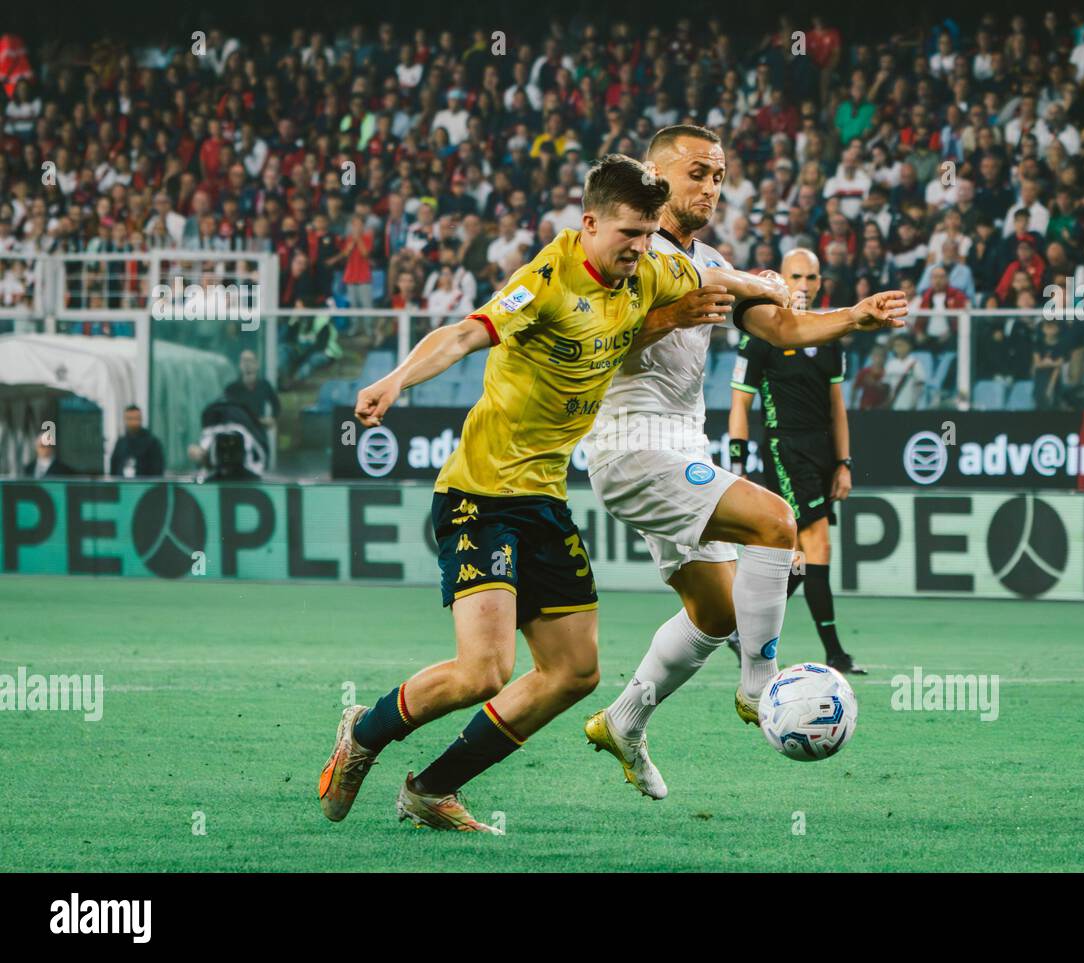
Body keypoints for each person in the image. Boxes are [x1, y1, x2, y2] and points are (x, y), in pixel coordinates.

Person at [318, 153, 790, 832]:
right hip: (477, 492)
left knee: (573, 671)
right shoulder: (546, 278)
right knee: (485, 669)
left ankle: (431, 788)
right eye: (628, 232)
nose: (640, 246)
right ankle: (364, 731)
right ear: (590, 222)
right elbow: (463, 333)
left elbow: (713, 275)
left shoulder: (651, 264)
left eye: (648, 232)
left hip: (543, 499)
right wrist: (396, 381)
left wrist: (760, 282)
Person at [581, 126, 904, 800]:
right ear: (655, 172)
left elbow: (782, 327)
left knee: (717, 609)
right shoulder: (630, 249)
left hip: (680, 446)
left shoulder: (712, 260)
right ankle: (761, 685)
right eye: (696, 172)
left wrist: (854, 317)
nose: (709, 187)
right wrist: (671, 315)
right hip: (632, 443)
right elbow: (587, 331)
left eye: (719, 176)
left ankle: (624, 719)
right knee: (776, 522)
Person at [727, 247, 866, 676]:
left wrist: (844, 462)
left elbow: (837, 407)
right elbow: (739, 405)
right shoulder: (761, 336)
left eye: (810, 278)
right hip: (783, 450)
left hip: (822, 452)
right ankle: (836, 654)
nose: (803, 286)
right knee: (818, 543)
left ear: (820, 283)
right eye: (795, 277)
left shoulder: (828, 339)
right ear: (779, 281)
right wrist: (737, 460)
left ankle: (738, 628)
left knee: (800, 557)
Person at [223, 350, 280, 430]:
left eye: (250, 360)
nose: (247, 364)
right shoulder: (231, 388)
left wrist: (272, 418)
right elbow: (225, 411)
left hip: (259, 431)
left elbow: (276, 404)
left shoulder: (265, 385)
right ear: (240, 365)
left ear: (257, 364)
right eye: (244, 361)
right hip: (239, 432)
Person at [109, 405, 164, 478]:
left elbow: (157, 470)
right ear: (125, 420)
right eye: (130, 419)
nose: (133, 422)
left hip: (144, 487)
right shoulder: (120, 442)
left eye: (136, 419)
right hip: (122, 486)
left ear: (141, 419)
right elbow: (114, 467)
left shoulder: (152, 443)